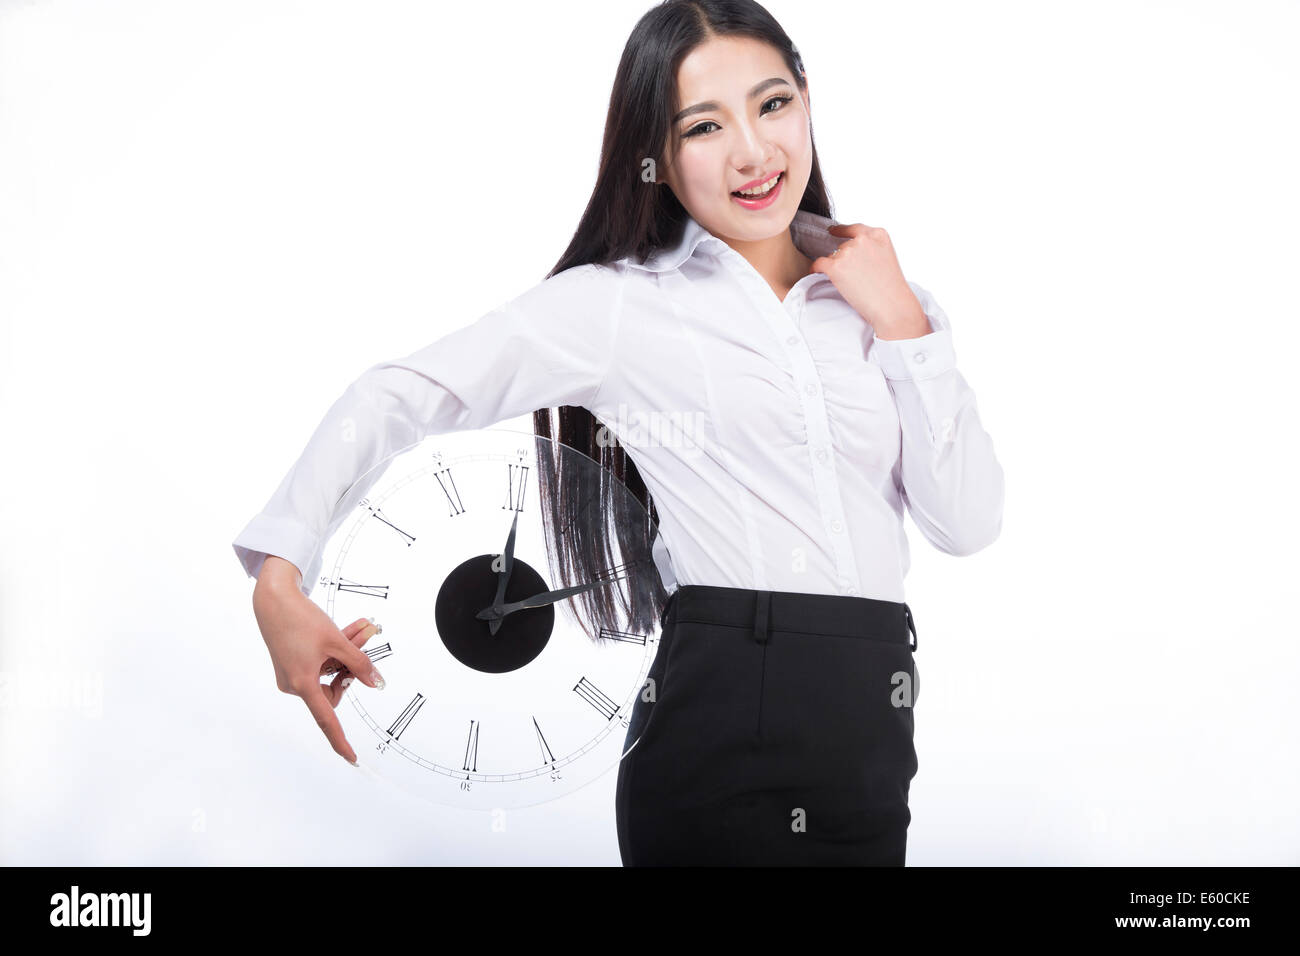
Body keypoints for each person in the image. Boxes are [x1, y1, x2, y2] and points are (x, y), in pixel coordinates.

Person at [233, 0, 1004, 866]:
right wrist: (280, 574)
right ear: (658, 156)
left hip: (872, 721)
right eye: (704, 126)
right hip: (720, 704)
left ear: (808, 98)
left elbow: (967, 524)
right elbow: (405, 392)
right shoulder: (621, 306)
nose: (753, 152)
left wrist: (905, 324)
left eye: (773, 104)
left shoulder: (889, 309)